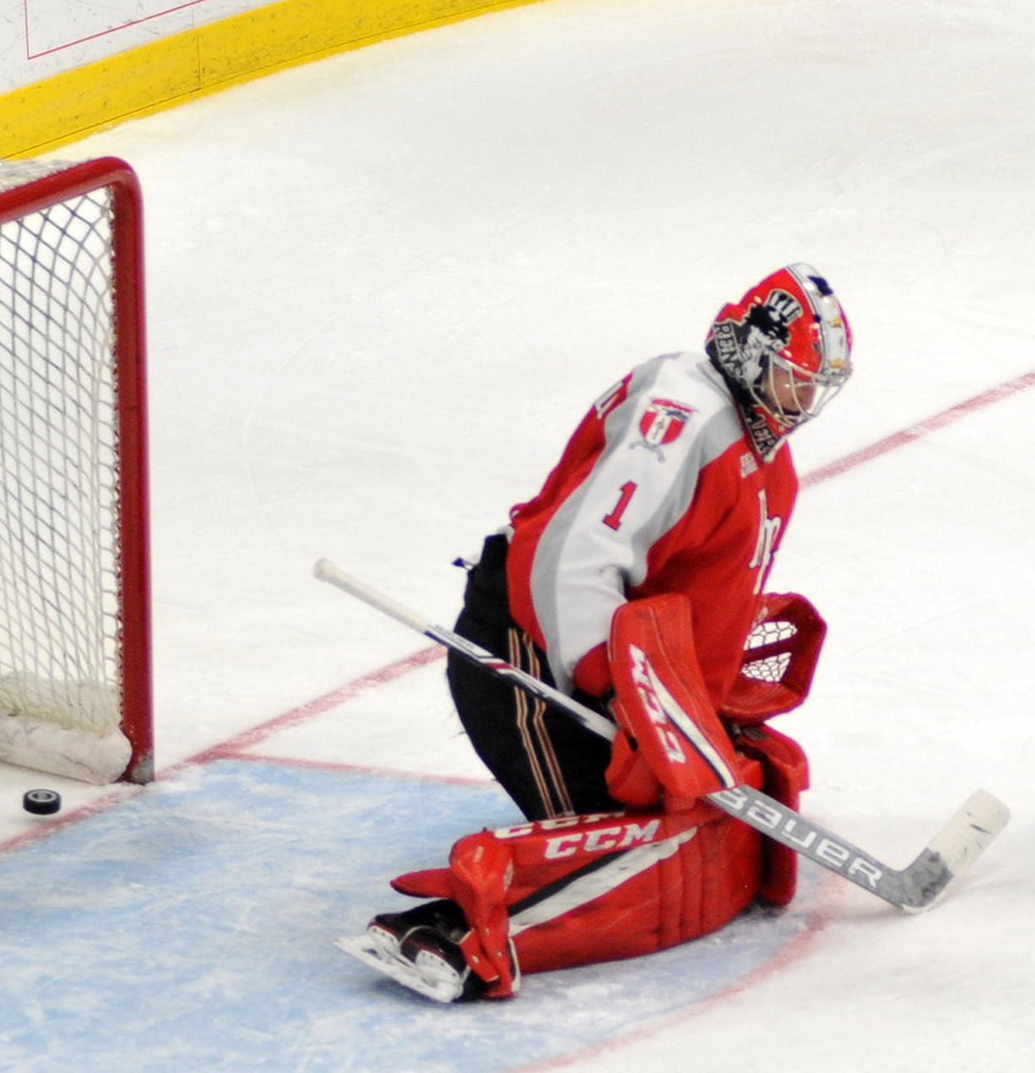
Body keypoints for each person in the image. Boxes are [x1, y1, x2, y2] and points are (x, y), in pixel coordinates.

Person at [342, 265, 852, 999]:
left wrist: (703, 685)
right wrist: (622, 699)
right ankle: (451, 930)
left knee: (707, 819)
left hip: (632, 679)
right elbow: (568, 565)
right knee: (651, 847)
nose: (804, 402)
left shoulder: (761, 450)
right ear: (748, 352)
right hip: (530, 655)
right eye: (792, 378)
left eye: (816, 384)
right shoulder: (682, 418)